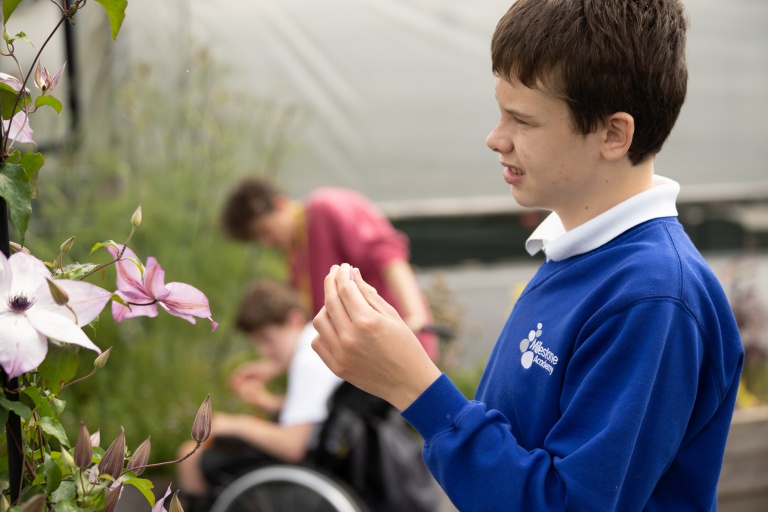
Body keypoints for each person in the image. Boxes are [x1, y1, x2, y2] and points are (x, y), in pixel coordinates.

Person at [311, 1, 745, 511]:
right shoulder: (577, 254)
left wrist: (416, 387)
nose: (496, 139)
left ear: (613, 134)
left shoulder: (653, 296)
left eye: (521, 120)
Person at [220, 178, 439, 360]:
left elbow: (389, 258)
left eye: (265, 231)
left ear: (279, 204)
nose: (266, 242)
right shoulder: (296, 257)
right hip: (370, 356)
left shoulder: (325, 207)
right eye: (258, 239)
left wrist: (415, 315)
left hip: (401, 336)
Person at [176, 280, 343, 509]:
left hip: (303, 464)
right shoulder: (317, 345)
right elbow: (318, 410)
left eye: (266, 340)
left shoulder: (309, 360)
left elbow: (292, 446)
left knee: (190, 456)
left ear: (294, 320)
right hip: (322, 453)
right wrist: (269, 402)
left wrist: (234, 424)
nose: (262, 351)